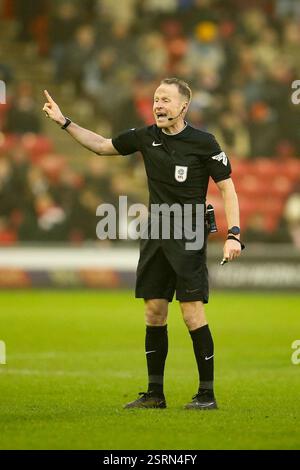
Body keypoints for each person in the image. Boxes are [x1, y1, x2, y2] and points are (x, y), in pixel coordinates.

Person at [43, 77, 242, 410]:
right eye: (155, 99)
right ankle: (154, 394)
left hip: (189, 234)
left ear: (184, 106)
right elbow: (102, 145)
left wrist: (233, 233)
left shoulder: (204, 142)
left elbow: (227, 189)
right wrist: (65, 122)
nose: (158, 105)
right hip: (155, 232)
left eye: (165, 100)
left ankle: (206, 394)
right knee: (154, 312)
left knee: (192, 314)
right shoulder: (144, 137)